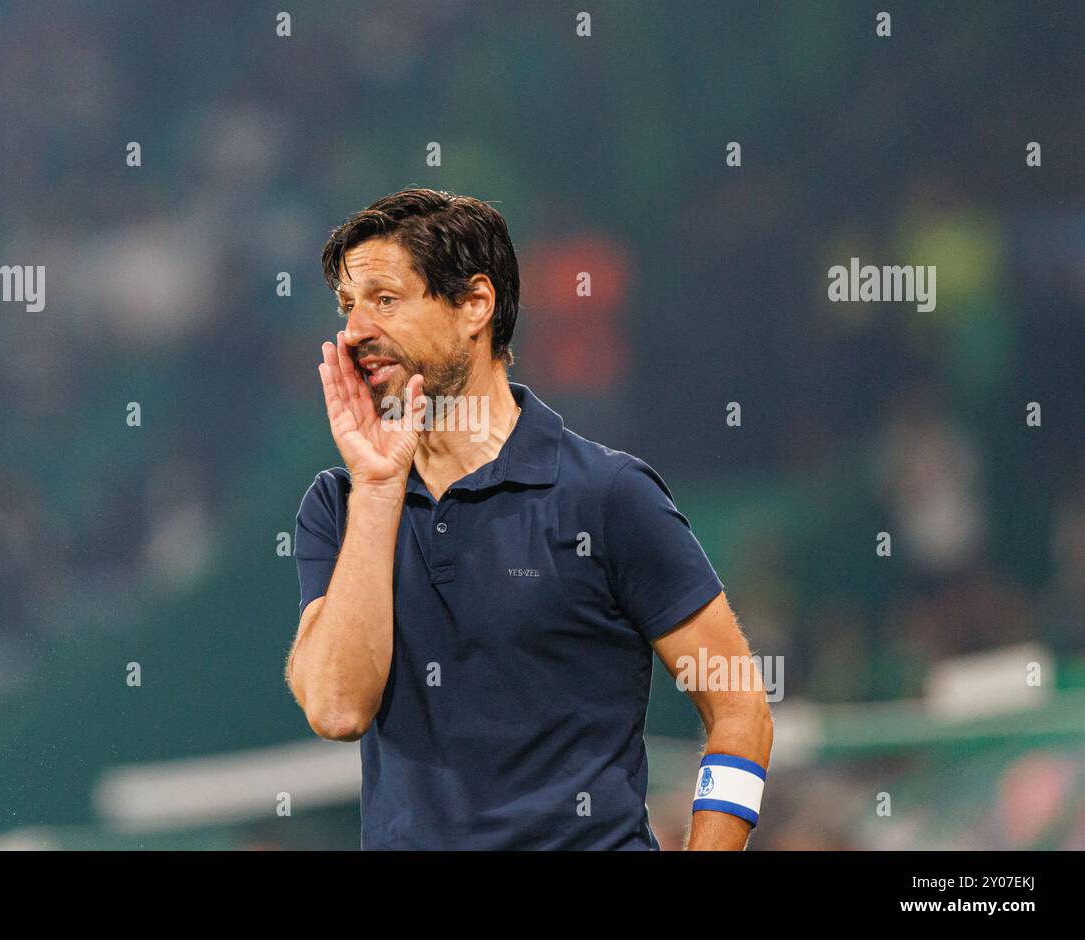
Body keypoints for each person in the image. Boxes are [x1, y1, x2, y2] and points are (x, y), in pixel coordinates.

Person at [285, 188, 772, 849]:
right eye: (348, 306)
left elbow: (740, 703)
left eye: (385, 299)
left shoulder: (607, 495)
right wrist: (377, 488)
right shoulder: (339, 507)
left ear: (474, 306)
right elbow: (337, 708)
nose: (355, 331)